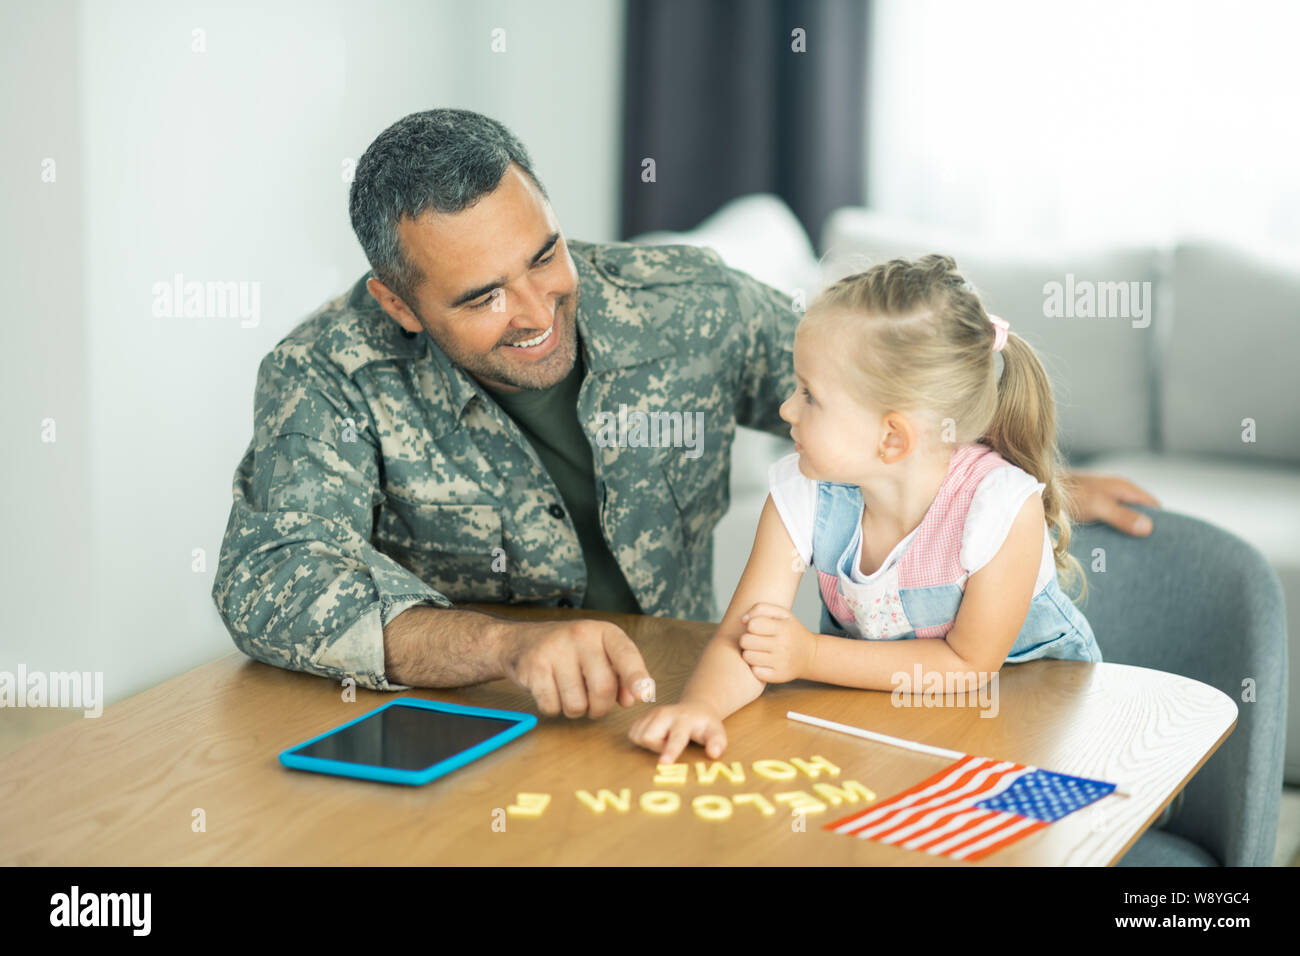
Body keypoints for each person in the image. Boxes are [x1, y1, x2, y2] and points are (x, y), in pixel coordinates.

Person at [211, 108, 1160, 721]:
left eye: (544, 255)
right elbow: (269, 581)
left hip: (679, 690)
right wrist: (502, 644)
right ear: (399, 304)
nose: (538, 313)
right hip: (481, 714)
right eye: (482, 298)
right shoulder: (325, 375)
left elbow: (879, 395)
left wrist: (1007, 487)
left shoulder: (684, 303)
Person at [629, 254, 1109, 764]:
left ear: (892, 438)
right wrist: (701, 707)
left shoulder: (999, 509)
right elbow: (745, 640)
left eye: (810, 395)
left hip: (1032, 717)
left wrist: (809, 654)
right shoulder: (803, 490)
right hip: (898, 716)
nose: (786, 409)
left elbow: (968, 666)